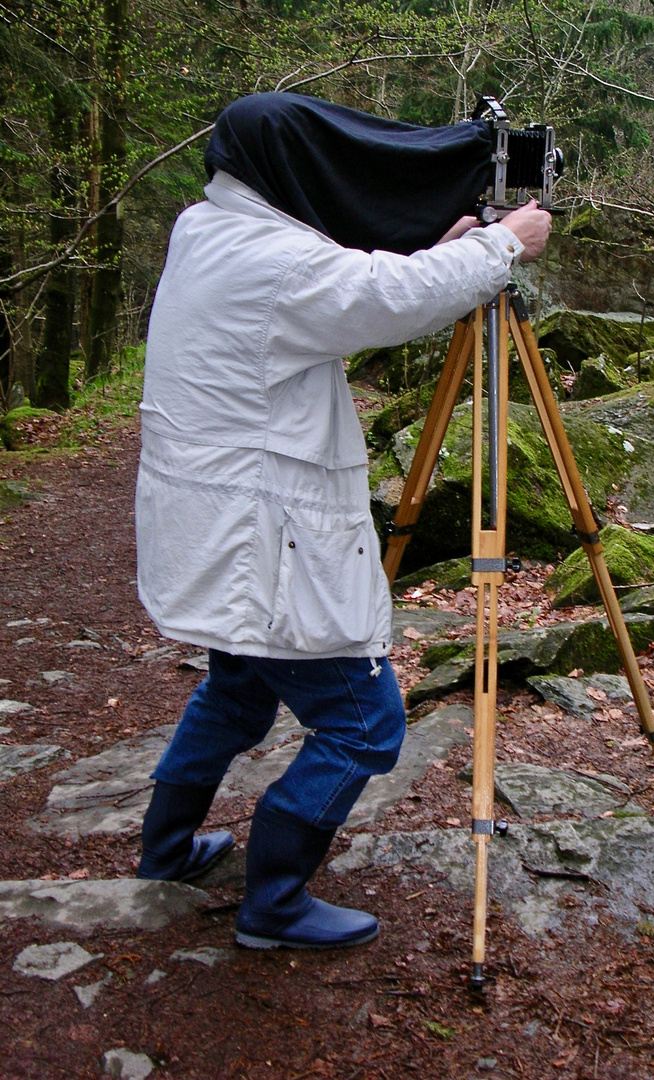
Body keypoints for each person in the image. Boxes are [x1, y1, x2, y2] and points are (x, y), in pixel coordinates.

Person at [134, 92, 552, 950]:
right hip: (263, 539)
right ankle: (274, 903)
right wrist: (502, 244)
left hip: (224, 525)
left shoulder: (206, 229)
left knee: (236, 696)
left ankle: (166, 850)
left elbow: (338, 287)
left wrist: (443, 251)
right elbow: (374, 296)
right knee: (366, 727)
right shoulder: (274, 262)